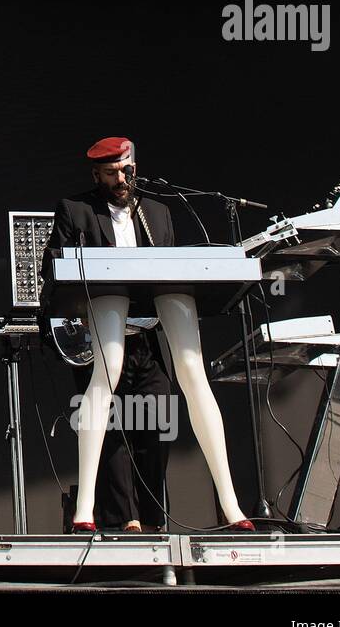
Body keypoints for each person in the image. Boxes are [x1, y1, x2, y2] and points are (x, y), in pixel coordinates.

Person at [41, 136, 254, 534]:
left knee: (169, 406)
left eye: (126, 171)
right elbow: (55, 266)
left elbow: (170, 268)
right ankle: (92, 510)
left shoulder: (158, 211)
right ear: (96, 175)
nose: (121, 180)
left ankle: (223, 505)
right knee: (109, 400)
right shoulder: (76, 209)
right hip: (105, 319)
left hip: (149, 336)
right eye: (111, 174)